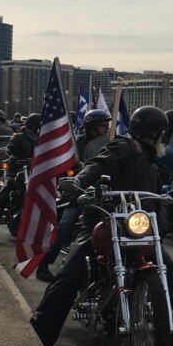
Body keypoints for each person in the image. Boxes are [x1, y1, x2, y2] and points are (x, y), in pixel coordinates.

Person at [28, 106, 173, 346]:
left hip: (134, 225)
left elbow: (153, 198)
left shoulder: (150, 157)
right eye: (161, 133)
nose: (162, 137)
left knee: (167, 267)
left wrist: (161, 220)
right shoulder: (125, 145)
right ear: (154, 133)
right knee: (73, 267)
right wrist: (79, 181)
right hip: (104, 218)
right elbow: (98, 164)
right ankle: (40, 332)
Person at [36, 108, 112, 282]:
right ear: (92, 127)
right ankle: (44, 265)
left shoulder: (110, 144)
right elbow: (63, 169)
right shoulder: (75, 146)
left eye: (108, 125)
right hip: (80, 192)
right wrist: (73, 177)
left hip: (104, 192)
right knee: (64, 226)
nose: (107, 128)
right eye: (103, 125)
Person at [0, 113, 40, 243]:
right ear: (34, 126)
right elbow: (8, 150)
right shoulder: (19, 137)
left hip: (36, 175)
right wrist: (8, 156)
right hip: (17, 174)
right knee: (0, 199)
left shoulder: (44, 139)